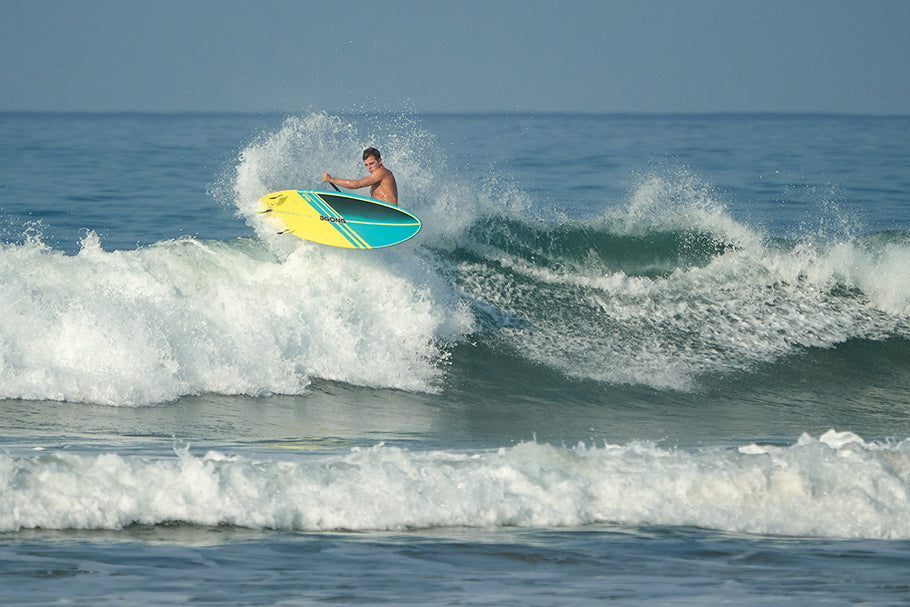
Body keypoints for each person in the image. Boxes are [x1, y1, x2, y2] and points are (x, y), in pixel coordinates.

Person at [322, 148, 399, 205]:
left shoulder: (382, 172)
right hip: (380, 214)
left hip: (388, 215)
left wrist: (331, 179)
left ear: (379, 161)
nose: (369, 167)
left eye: (371, 163)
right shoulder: (379, 177)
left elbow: (356, 184)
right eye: (366, 165)